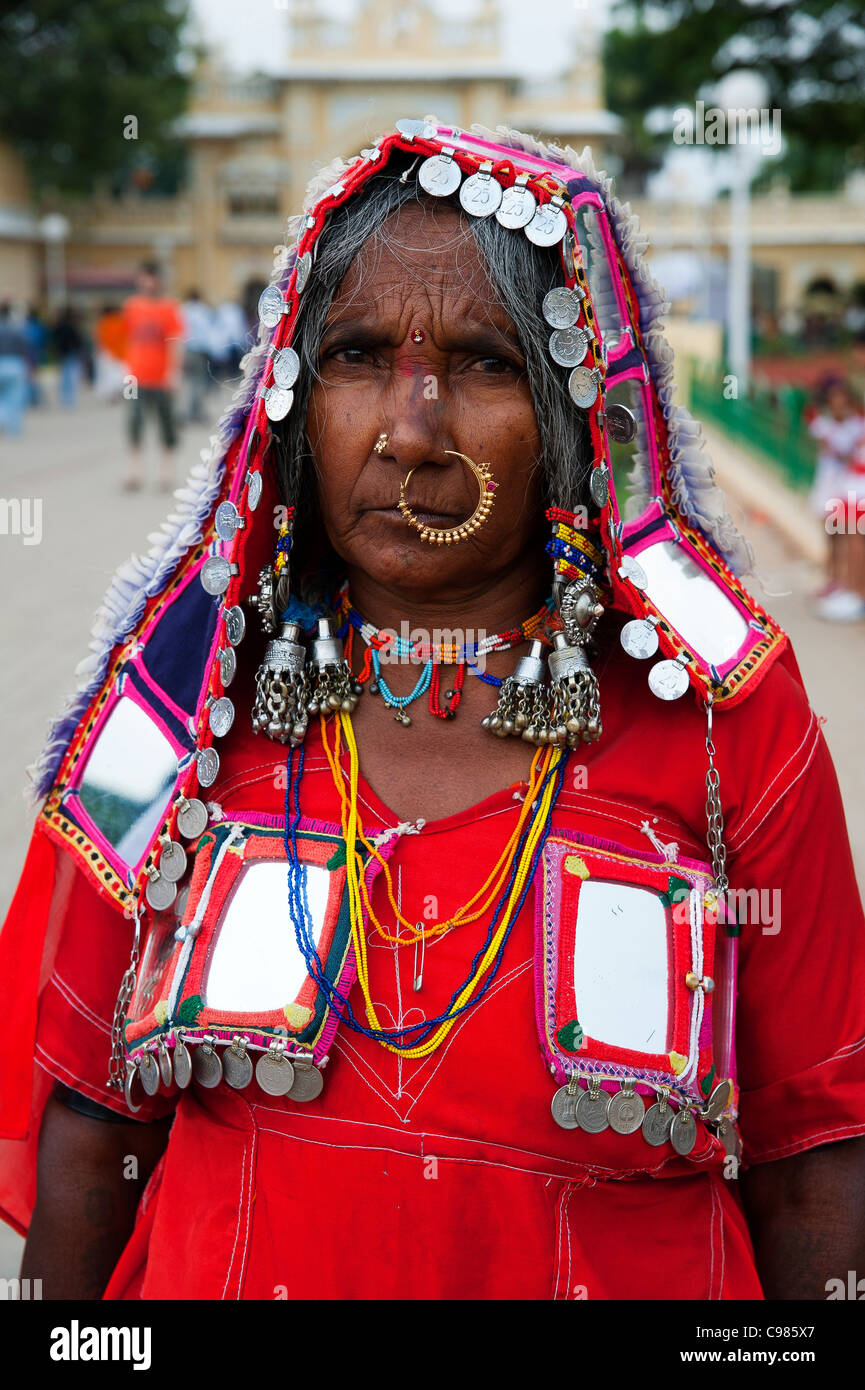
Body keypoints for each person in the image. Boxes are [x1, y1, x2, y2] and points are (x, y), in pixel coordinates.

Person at [2, 123, 864, 1303]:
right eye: (356, 355)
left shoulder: (726, 718)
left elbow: (815, 1154)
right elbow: (94, 1128)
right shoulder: (178, 708)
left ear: (572, 415)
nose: (411, 431)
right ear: (294, 401)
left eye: (484, 363)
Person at [121, 262, 184, 492]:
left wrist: (174, 372)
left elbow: (175, 341)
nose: (148, 283)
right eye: (144, 278)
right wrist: (123, 368)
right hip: (134, 376)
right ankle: (134, 471)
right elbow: (125, 339)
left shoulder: (169, 308)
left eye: (152, 278)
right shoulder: (132, 306)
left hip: (162, 377)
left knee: (166, 422)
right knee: (133, 421)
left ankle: (166, 472)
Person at [808, 375, 865, 620]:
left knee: (853, 540)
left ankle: (855, 592)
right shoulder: (825, 422)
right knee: (841, 536)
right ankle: (842, 585)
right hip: (842, 487)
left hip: (855, 486)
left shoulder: (857, 423)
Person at [180, 288, 213, 423]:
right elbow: (207, 332)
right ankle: (197, 412)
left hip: (185, 350)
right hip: (199, 350)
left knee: (187, 382)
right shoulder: (203, 311)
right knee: (199, 382)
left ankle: (185, 412)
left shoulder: (183, 310)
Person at [0, 301, 29, 436]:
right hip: (14, 365)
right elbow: (25, 349)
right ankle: (14, 430)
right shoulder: (15, 329)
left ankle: (2, 420)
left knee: (2, 398)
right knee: (15, 399)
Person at [51, 305, 88, 409]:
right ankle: (70, 399)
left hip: (62, 352)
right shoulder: (73, 326)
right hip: (71, 352)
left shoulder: (58, 326)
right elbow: (78, 340)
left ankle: (64, 399)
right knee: (71, 376)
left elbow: (54, 338)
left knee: (64, 376)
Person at [93, 304, 127, 403]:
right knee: (122, 374)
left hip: (108, 354)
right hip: (121, 353)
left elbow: (99, 339)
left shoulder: (103, 323)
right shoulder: (121, 321)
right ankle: (126, 393)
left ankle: (111, 395)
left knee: (108, 376)